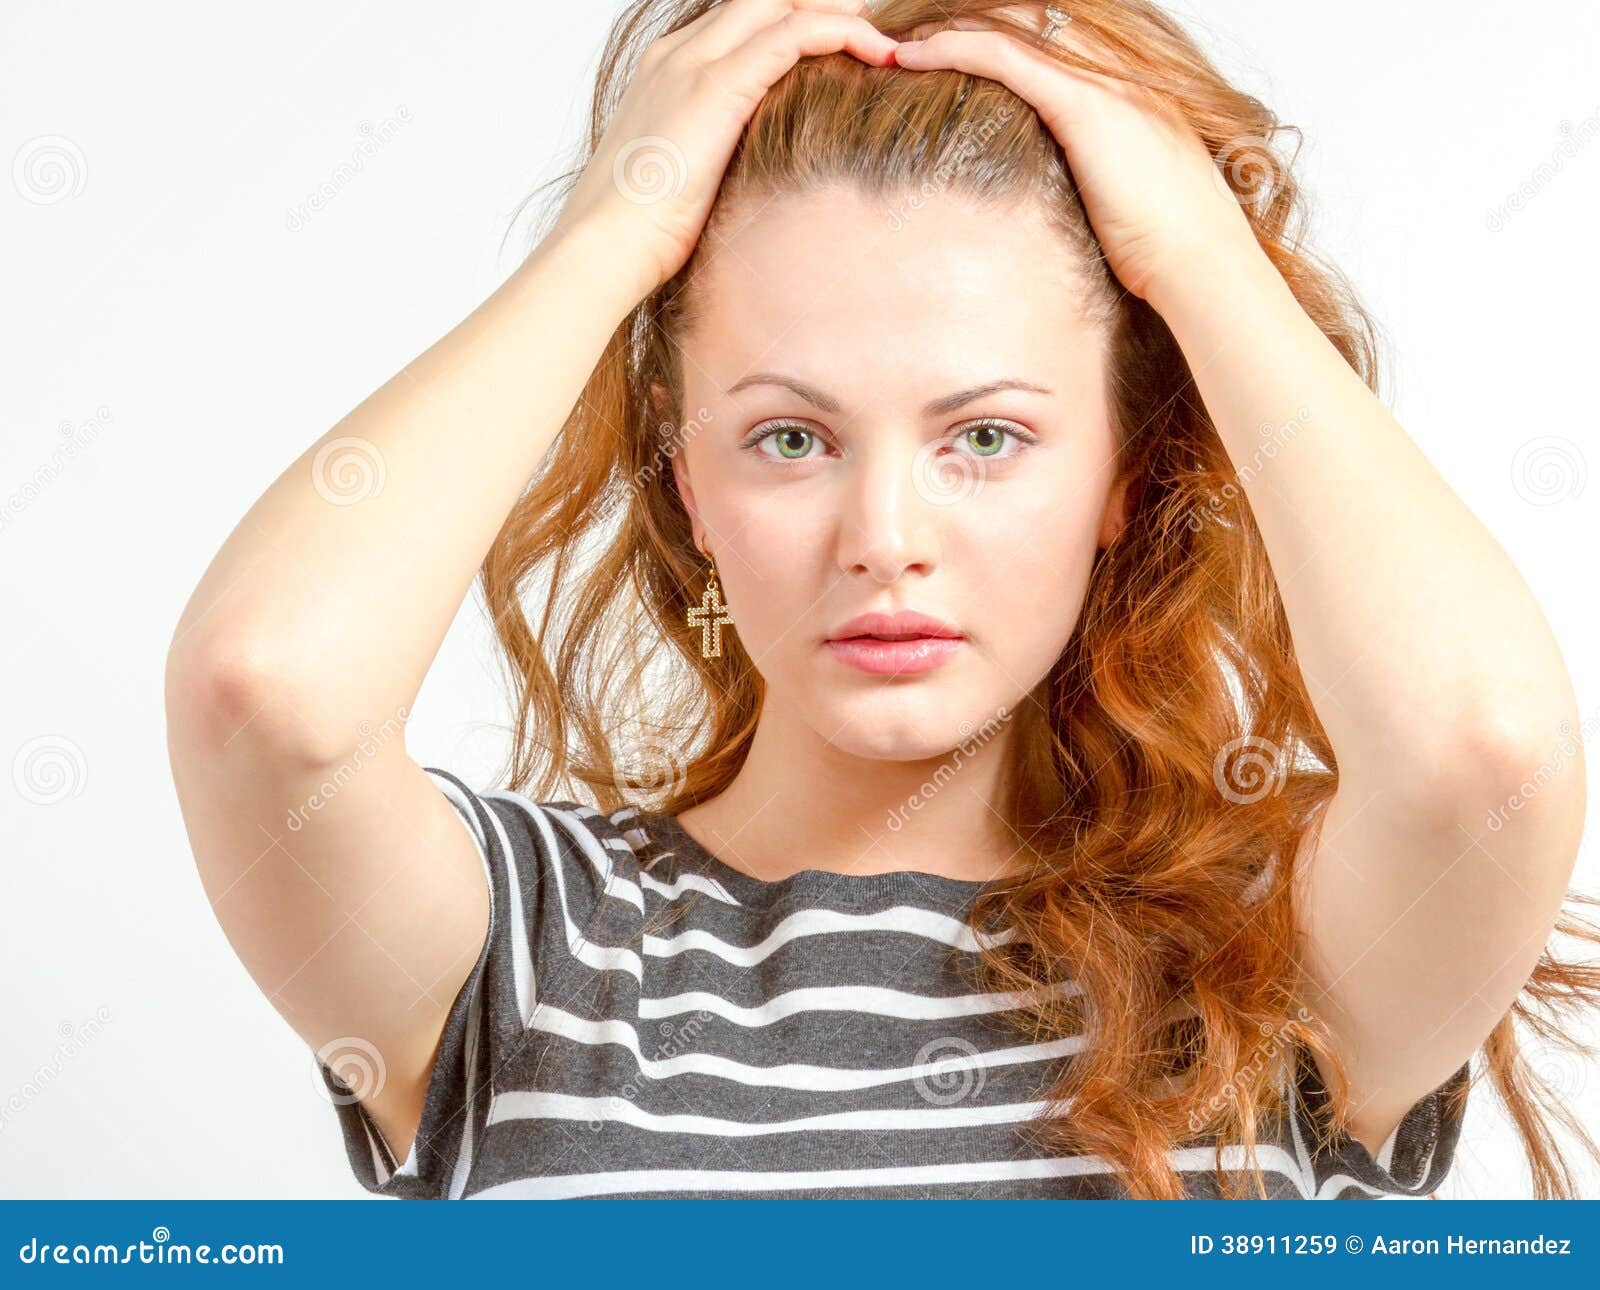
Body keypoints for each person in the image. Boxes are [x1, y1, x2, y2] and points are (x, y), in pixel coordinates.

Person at [164, 0, 1600, 1199]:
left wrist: (1197, 253)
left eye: (988, 436)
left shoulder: (1266, 958)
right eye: (790, 437)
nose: (885, 539)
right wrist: (613, 231)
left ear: (1123, 474)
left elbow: (1486, 755)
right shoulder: (528, 957)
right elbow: (266, 694)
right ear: (686, 479)